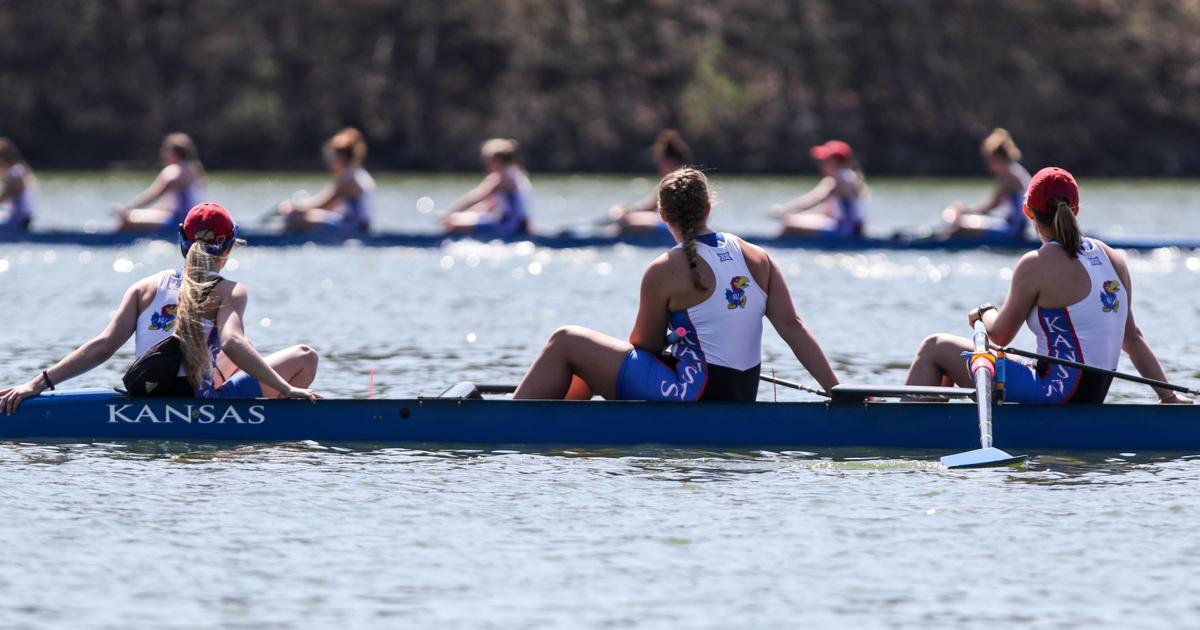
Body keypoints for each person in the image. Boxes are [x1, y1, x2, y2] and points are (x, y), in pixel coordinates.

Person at [513, 168, 839, 401]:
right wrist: (837, 392)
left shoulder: (664, 270)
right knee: (590, 365)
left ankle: (508, 423)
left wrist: (672, 335)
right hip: (739, 395)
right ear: (709, 208)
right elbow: (792, 327)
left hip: (692, 394)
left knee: (566, 341)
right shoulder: (757, 257)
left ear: (662, 213)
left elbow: (646, 346)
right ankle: (563, 430)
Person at [0, 203, 321, 414]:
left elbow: (102, 347)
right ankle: (274, 425)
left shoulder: (145, 286)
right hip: (199, 402)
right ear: (228, 246)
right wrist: (285, 388)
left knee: (229, 355)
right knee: (305, 355)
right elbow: (235, 343)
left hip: (147, 394)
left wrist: (36, 384)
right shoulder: (229, 290)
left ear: (182, 241)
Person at [905, 167, 1190, 404]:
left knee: (935, 347)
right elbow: (1133, 339)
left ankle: (905, 432)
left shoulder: (1036, 264)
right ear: (1075, 209)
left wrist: (984, 311)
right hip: (1091, 394)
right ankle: (940, 424)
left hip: (1054, 391)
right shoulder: (1112, 258)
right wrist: (1169, 396)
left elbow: (1000, 334)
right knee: (962, 360)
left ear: (1028, 211)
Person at [277, 127, 376, 233]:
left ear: (341, 158)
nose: (328, 162)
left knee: (297, 219)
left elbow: (322, 203)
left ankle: (278, 241)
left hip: (355, 229)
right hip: (356, 225)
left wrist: (294, 207)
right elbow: (330, 207)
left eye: (331, 157)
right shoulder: (358, 174)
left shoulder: (348, 179)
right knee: (307, 215)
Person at [942, 128, 1032, 239]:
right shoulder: (1013, 170)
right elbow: (995, 205)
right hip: (1011, 224)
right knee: (962, 223)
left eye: (989, 159)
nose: (987, 164)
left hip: (1014, 231)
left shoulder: (1010, 176)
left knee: (959, 227)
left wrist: (965, 211)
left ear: (997, 158)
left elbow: (992, 205)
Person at [773, 140, 866, 238]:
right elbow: (825, 213)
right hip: (845, 227)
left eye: (826, 159)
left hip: (847, 232)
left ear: (836, 161)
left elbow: (813, 200)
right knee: (792, 219)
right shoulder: (845, 178)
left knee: (789, 226)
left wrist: (784, 210)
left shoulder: (842, 180)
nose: (822, 163)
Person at [114, 132, 206, 231]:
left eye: (165, 151)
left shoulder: (174, 172)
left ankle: (112, 241)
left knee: (128, 219)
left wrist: (127, 209)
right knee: (139, 214)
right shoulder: (194, 168)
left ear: (174, 154)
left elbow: (154, 195)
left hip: (180, 221)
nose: (163, 155)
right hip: (191, 220)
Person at [608, 129, 692, 235]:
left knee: (627, 223)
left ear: (670, 163)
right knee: (625, 218)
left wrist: (626, 216)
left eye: (662, 163)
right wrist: (627, 211)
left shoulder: (677, 183)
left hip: (675, 228)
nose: (660, 167)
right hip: (670, 225)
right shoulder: (672, 182)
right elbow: (650, 207)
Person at [441, 138, 533, 236]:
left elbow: (478, 196)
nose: (487, 165)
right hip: (520, 224)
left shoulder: (501, 178)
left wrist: (449, 213)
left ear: (498, 160)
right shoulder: (517, 174)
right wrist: (464, 215)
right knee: (459, 219)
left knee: (452, 225)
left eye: (489, 161)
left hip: (511, 226)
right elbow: (488, 205)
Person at [0, 138, 35, 232]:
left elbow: (3, 198)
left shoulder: (14, 174)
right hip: (23, 219)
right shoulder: (19, 170)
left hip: (19, 222)